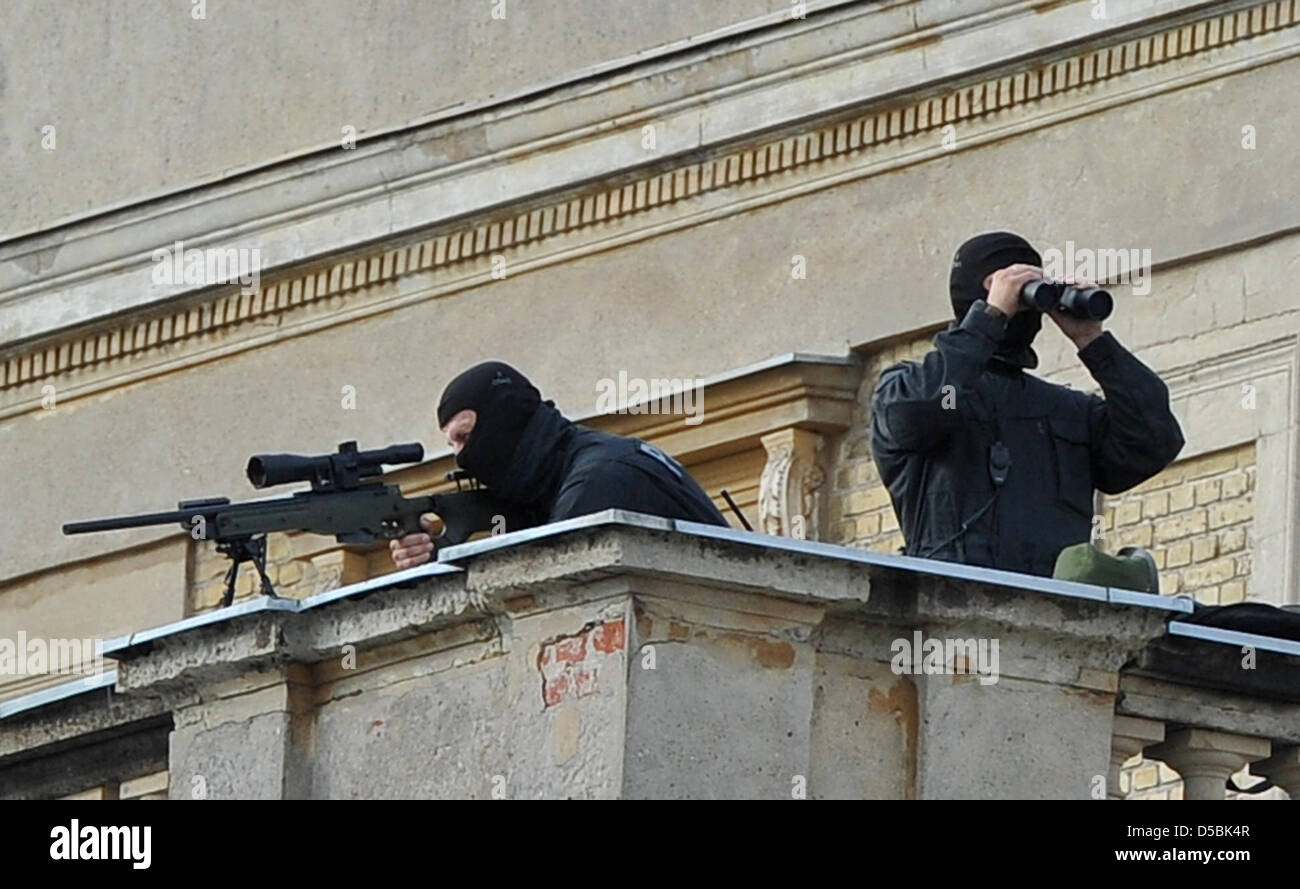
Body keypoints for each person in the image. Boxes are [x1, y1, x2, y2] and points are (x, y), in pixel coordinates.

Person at [870, 231, 1184, 576]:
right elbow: (928, 408)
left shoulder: (1069, 412)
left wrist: (1092, 341)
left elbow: (1154, 438)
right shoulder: (912, 388)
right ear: (976, 296)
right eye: (1013, 289)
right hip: (953, 596)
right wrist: (989, 319)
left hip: (1053, 608)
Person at [391, 361, 727, 568]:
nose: (462, 458)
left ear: (505, 418)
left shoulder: (597, 480)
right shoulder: (571, 472)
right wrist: (433, 558)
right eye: (453, 445)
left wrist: (451, 564)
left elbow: (550, 592)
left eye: (465, 437)